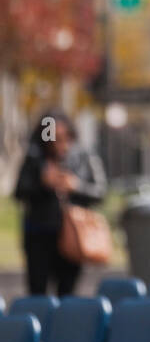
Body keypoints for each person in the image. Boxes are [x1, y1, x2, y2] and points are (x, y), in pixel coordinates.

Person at [13, 110, 106, 296]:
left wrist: (75, 186)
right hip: (40, 233)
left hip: (72, 233)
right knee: (38, 290)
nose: (59, 143)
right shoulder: (35, 158)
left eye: (64, 137)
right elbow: (19, 192)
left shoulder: (83, 156)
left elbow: (100, 191)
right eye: (53, 137)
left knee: (67, 291)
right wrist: (42, 182)